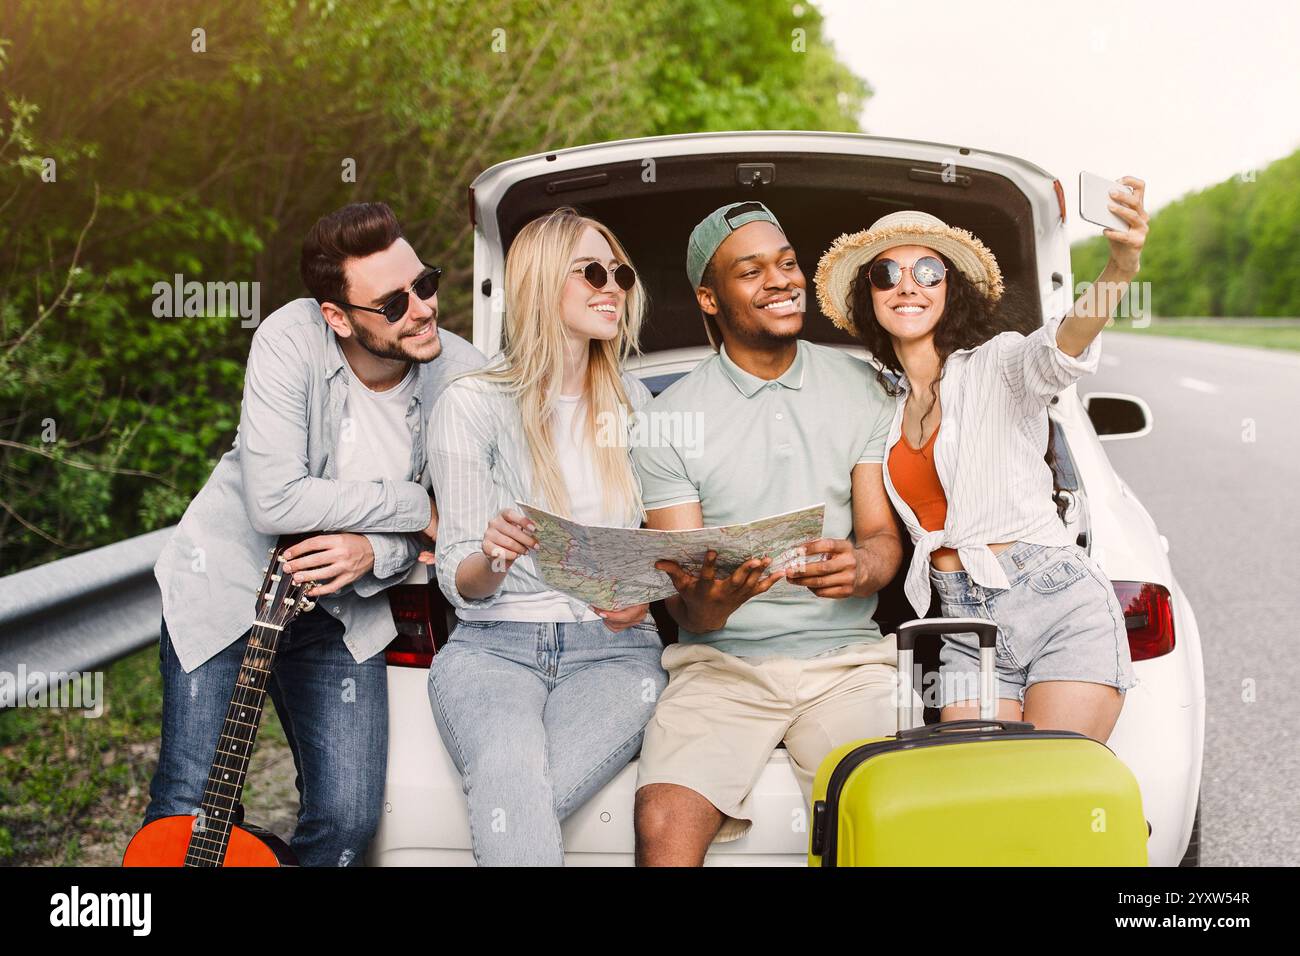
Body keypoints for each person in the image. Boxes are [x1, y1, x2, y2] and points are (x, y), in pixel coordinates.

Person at [146, 201, 485, 866]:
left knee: (348, 818)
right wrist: (413, 503)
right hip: (230, 586)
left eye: (425, 284)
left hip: (341, 611)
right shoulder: (289, 338)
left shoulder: (464, 376)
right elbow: (275, 500)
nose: (422, 309)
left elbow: (462, 531)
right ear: (338, 317)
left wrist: (374, 548)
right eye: (393, 303)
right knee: (188, 813)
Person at [813, 178, 1149, 741]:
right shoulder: (884, 409)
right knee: (978, 786)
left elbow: (1062, 346)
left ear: (951, 288)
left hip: (1056, 604)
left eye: (927, 271)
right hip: (963, 625)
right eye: (886, 273)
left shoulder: (999, 365)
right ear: (869, 294)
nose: (907, 286)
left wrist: (1119, 268)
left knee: (1051, 782)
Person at [630, 201, 907, 866]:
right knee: (662, 822)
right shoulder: (667, 422)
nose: (780, 280)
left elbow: (881, 538)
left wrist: (862, 568)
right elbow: (687, 608)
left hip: (847, 664)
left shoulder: (864, 387)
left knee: (897, 813)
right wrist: (712, 603)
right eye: (751, 271)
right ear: (709, 298)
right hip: (720, 670)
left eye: (786, 264)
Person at [426, 207, 668, 866]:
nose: (612, 287)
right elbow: (460, 576)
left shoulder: (637, 406)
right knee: (510, 780)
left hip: (616, 654)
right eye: (592, 272)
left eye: (620, 274)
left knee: (515, 804)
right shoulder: (471, 403)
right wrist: (494, 556)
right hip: (493, 648)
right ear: (539, 281)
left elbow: (660, 549)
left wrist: (644, 593)